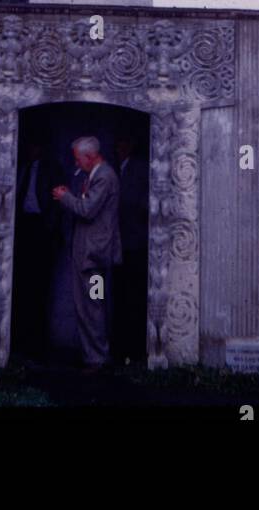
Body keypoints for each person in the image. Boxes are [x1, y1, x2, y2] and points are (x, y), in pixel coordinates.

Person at [52, 135, 122, 373]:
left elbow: (87, 210)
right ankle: (93, 356)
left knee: (93, 305)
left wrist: (65, 198)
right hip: (88, 255)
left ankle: (98, 358)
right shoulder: (96, 175)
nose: (76, 165)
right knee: (89, 305)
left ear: (91, 157)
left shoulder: (104, 176)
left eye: (78, 160)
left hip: (95, 256)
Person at [12, 141, 62, 359]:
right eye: (30, 146)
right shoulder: (20, 167)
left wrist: (50, 228)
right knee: (21, 285)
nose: (31, 149)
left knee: (41, 286)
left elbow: (58, 203)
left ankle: (38, 342)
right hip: (23, 230)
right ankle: (19, 339)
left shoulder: (52, 170)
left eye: (35, 145)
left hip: (42, 230)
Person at [112, 134, 149, 362]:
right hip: (118, 243)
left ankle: (133, 351)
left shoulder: (141, 168)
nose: (119, 146)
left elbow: (147, 201)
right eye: (118, 142)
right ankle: (120, 349)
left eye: (124, 141)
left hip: (136, 241)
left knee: (134, 296)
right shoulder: (115, 169)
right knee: (119, 295)